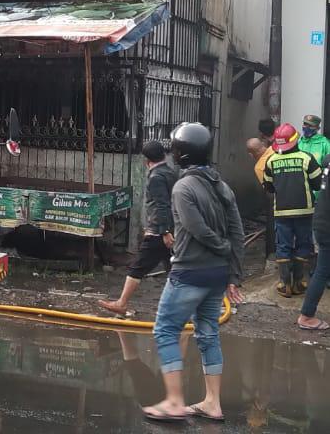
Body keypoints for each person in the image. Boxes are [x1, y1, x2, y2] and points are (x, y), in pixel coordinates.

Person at [142, 122, 245, 423]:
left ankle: (174, 401)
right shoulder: (222, 185)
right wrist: (234, 274)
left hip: (190, 272)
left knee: (165, 329)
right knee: (208, 333)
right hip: (217, 275)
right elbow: (237, 231)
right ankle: (212, 402)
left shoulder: (182, 187)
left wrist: (220, 246)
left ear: (181, 154)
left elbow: (194, 227)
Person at [98, 140, 177, 316]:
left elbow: (162, 205)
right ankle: (182, 310)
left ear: (146, 160)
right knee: (175, 271)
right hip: (169, 230)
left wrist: (163, 231)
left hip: (159, 232)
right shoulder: (171, 173)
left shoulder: (156, 177)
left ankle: (122, 303)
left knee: (138, 268)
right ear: (163, 156)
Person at [263, 123, 322, 297]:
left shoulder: (271, 160)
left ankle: (284, 283)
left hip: (282, 212)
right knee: (303, 244)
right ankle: (299, 282)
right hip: (305, 211)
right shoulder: (307, 158)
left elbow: (268, 187)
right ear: (295, 140)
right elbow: (318, 184)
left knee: (283, 245)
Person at [297, 164, 330, 331]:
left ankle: (307, 315)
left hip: (321, 221)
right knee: (323, 270)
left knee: (322, 270)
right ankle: (307, 316)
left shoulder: (328, 160)